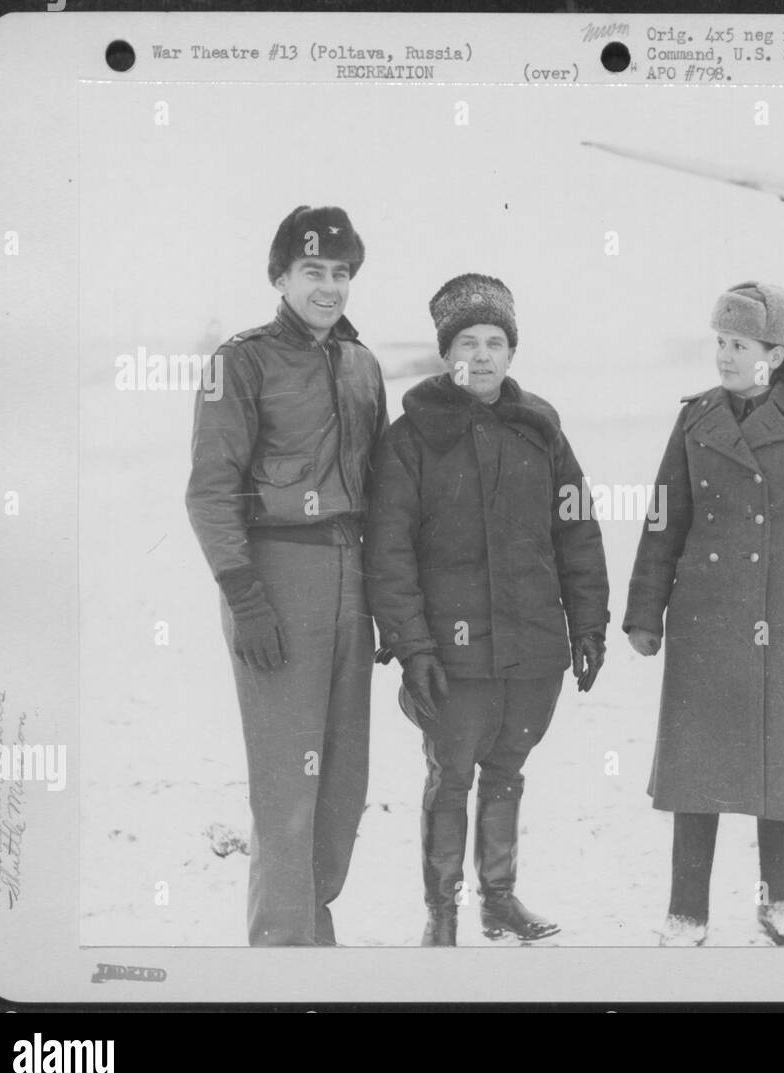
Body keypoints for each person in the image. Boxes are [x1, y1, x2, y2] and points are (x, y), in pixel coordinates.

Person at [364, 273, 610, 947]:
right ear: (447, 352)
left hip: (532, 647)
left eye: (494, 340)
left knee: (508, 769)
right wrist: (413, 647)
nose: (481, 354)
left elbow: (577, 530)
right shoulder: (410, 439)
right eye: (467, 341)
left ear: (511, 351)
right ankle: (441, 913)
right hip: (452, 653)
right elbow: (389, 555)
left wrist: (589, 622)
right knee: (451, 776)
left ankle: (498, 900)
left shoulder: (541, 430)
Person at [624, 282, 784, 947]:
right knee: (696, 764)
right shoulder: (696, 417)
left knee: (779, 763)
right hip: (705, 614)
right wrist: (645, 611)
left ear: (777, 352)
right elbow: (662, 521)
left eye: (740, 344)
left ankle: (780, 899)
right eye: (721, 342)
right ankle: (685, 908)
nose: (725, 356)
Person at [186, 205, 388, 946]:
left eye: (340, 272)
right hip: (275, 576)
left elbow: (384, 490)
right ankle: (279, 951)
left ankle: (313, 925)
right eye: (313, 271)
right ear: (280, 276)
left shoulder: (363, 365)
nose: (329, 286)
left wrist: (389, 599)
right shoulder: (242, 362)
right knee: (285, 786)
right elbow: (209, 490)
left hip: (351, 575)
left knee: (343, 782)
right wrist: (245, 595)